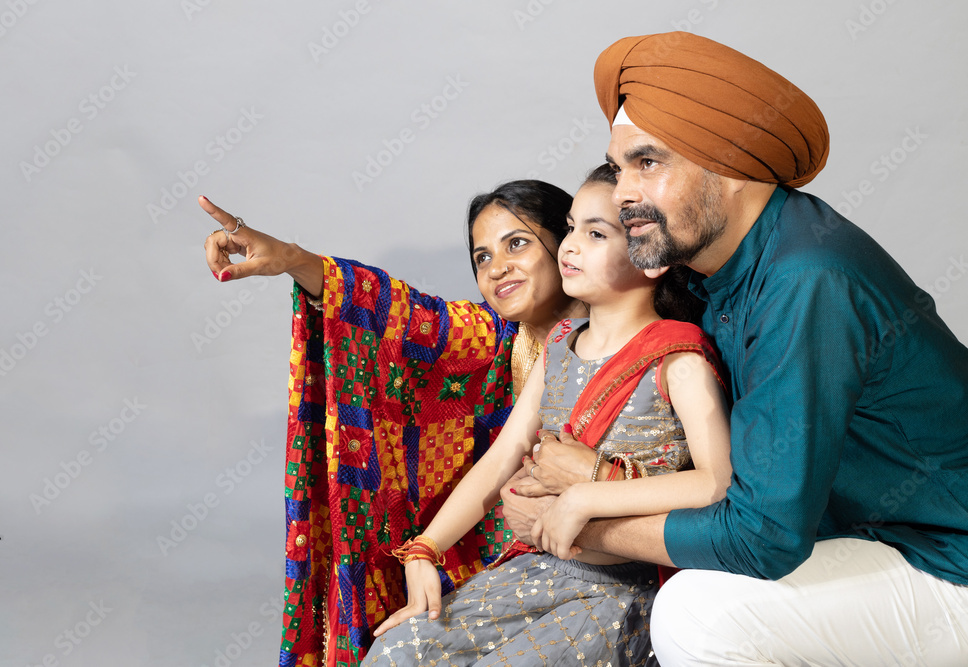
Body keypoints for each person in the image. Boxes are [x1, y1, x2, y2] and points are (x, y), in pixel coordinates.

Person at [500, 32, 968, 665]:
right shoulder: (698, 272)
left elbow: (764, 536)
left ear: (729, 165)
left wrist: (579, 519)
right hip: (867, 538)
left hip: (946, 559)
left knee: (700, 612)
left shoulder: (807, 279)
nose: (622, 193)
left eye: (648, 163)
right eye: (617, 169)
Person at [200, 181, 586, 666]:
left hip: (599, 563)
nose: (497, 268)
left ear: (568, 242)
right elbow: (392, 314)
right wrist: (294, 260)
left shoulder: (628, 339)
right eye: (482, 256)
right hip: (497, 559)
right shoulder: (492, 338)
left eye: (517, 243)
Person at [362, 165, 732, 666]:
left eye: (594, 233)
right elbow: (501, 459)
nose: (569, 245)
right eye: (572, 227)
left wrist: (584, 496)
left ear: (650, 258)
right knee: (395, 652)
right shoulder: (559, 347)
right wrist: (426, 549)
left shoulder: (678, 359)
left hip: (624, 591)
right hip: (541, 570)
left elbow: (717, 484)